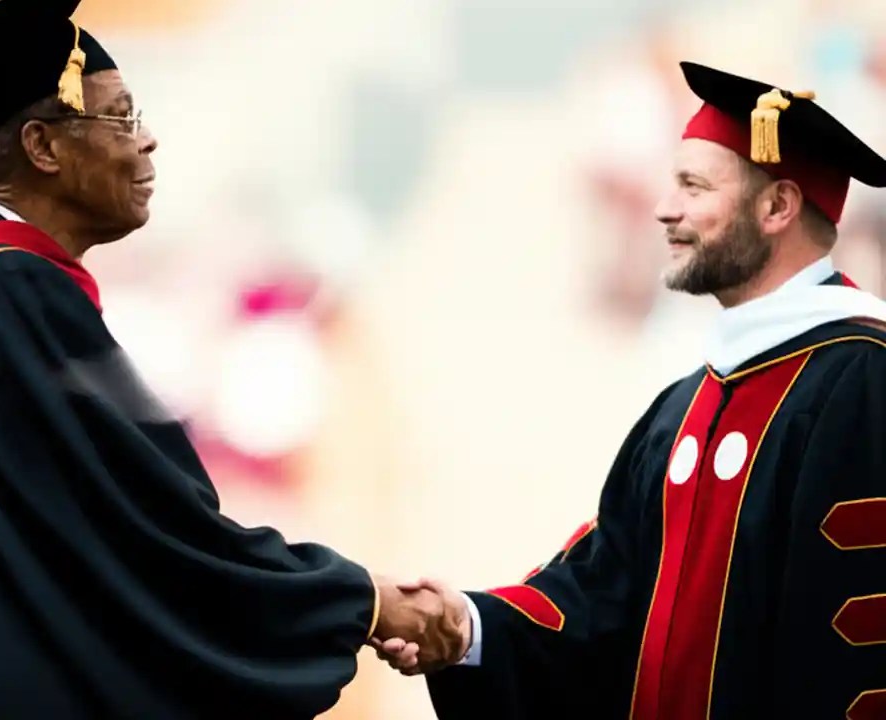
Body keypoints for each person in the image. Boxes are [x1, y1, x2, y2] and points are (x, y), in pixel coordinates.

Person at [0, 1, 467, 718]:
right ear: (43, 147)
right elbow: (153, 533)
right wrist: (362, 601)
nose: (148, 139)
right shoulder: (7, 292)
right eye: (121, 116)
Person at [377, 61, 886, 719]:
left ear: (777, 207)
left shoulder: (862, 381)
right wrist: (465, 628)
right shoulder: (684, 409)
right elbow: (602, 597)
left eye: (694, 186)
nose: (664, 208)